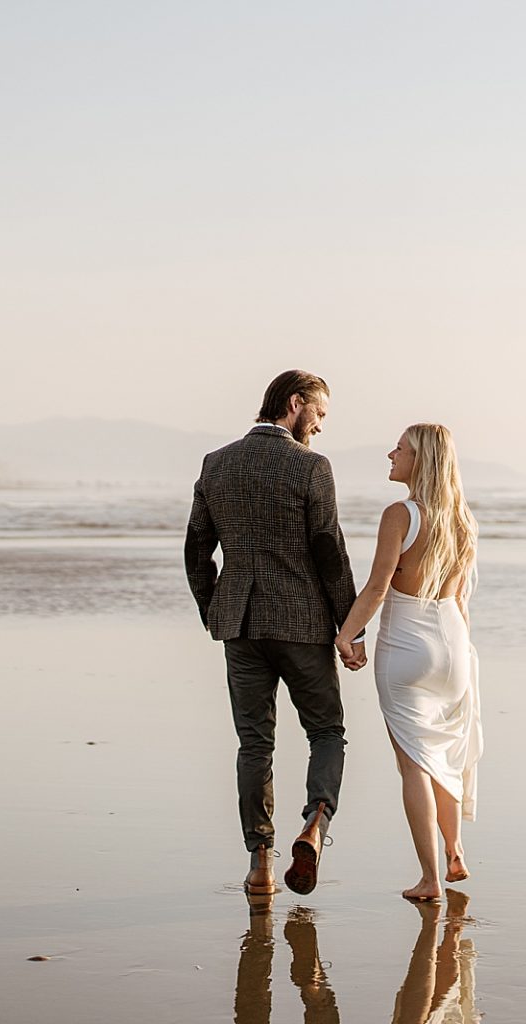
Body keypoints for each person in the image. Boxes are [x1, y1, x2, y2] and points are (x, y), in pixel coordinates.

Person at [185, 369, 366, 898]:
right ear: (295, 403)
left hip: (240, 626)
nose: (321, 425)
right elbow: (329, 550)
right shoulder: (310, 467)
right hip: (302, 623)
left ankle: (260, 864)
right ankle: (314, 825)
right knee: (326, 731)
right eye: (320, 413)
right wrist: (350, 627)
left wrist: (215, 610)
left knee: (254, 743)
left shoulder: (216, 463)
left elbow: (197, 550)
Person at [333, 424, 482, 901]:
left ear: (421, 460)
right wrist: (462, 656)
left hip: (407, 647)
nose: (390, 454)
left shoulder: (400, 514)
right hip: (454, 645)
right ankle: (454, 850)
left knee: (414, 762)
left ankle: (430, 878)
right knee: (443, 755)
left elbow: (378, 587)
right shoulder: (462, 519)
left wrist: (347, 634)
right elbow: (461, 598)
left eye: (399, 449)